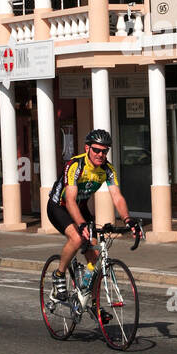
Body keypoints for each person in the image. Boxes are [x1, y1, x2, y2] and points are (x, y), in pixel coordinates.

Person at [47, 129, 142, 302]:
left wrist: (127, 219)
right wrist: (82, 225)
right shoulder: (76, 165)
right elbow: (69, 200)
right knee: (76, 238)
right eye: (96, 150)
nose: (100, 154)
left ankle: (87, 299)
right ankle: (59, 275)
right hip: (59, 206)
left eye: (104, 151)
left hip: (80, 206)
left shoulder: (107, 169)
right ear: (87, 148)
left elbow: (117, 196)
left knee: (95, 257)